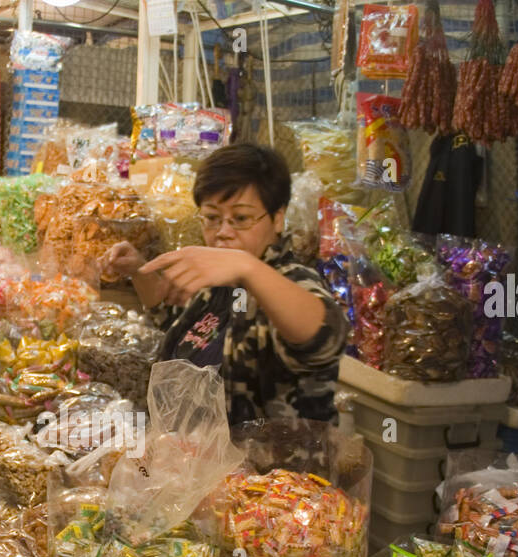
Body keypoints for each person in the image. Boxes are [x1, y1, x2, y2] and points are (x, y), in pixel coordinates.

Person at [105, 143, 347, 424]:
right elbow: (172, 318)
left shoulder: (290, 279)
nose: (223, 232)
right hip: (193, 457)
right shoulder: (220, 283)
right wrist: (138, 269)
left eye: (241, 218)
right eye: (211, 218)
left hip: (274, 464)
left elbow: (326, 335)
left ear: (277, 218)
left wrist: (246, 266)